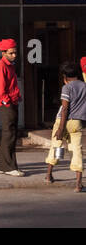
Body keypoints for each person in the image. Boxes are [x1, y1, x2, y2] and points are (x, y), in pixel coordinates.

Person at [45, 62, 86, 191]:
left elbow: (65, 108)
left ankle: (48, 175)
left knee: (56, 145)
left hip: (62, 121)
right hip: (77, 123)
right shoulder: (84, 86)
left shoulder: (66, 87)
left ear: (65, 77)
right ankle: (78, 183)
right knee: (77, 150)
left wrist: (61, 129)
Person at [0, 38, 24, 176]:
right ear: (3, 52)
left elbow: (12, 85)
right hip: (7, 104)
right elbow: (0, 89)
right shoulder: (0, 67)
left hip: (12, 101)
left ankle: (4, 166)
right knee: (9, 134)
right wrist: (7, 102)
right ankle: (8, 167)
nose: (14, 55)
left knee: (11, 134)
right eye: (11, 53)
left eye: (15, 52)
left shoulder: (10, 65)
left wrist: (17, 97)